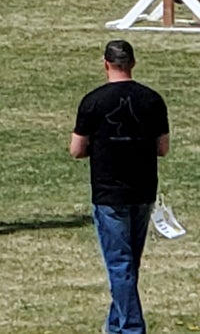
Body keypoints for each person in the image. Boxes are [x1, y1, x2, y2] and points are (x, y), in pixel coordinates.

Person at [70, 40, 170, 334]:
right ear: (133, 63)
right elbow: (162, 148)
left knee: (119, 265)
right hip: (142, 191)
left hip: (108, 193)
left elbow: (76, 149)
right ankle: (115, 326)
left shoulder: (93, 101)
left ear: (105, 64)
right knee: (128, 265)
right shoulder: (152, 100)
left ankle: (132, 329)